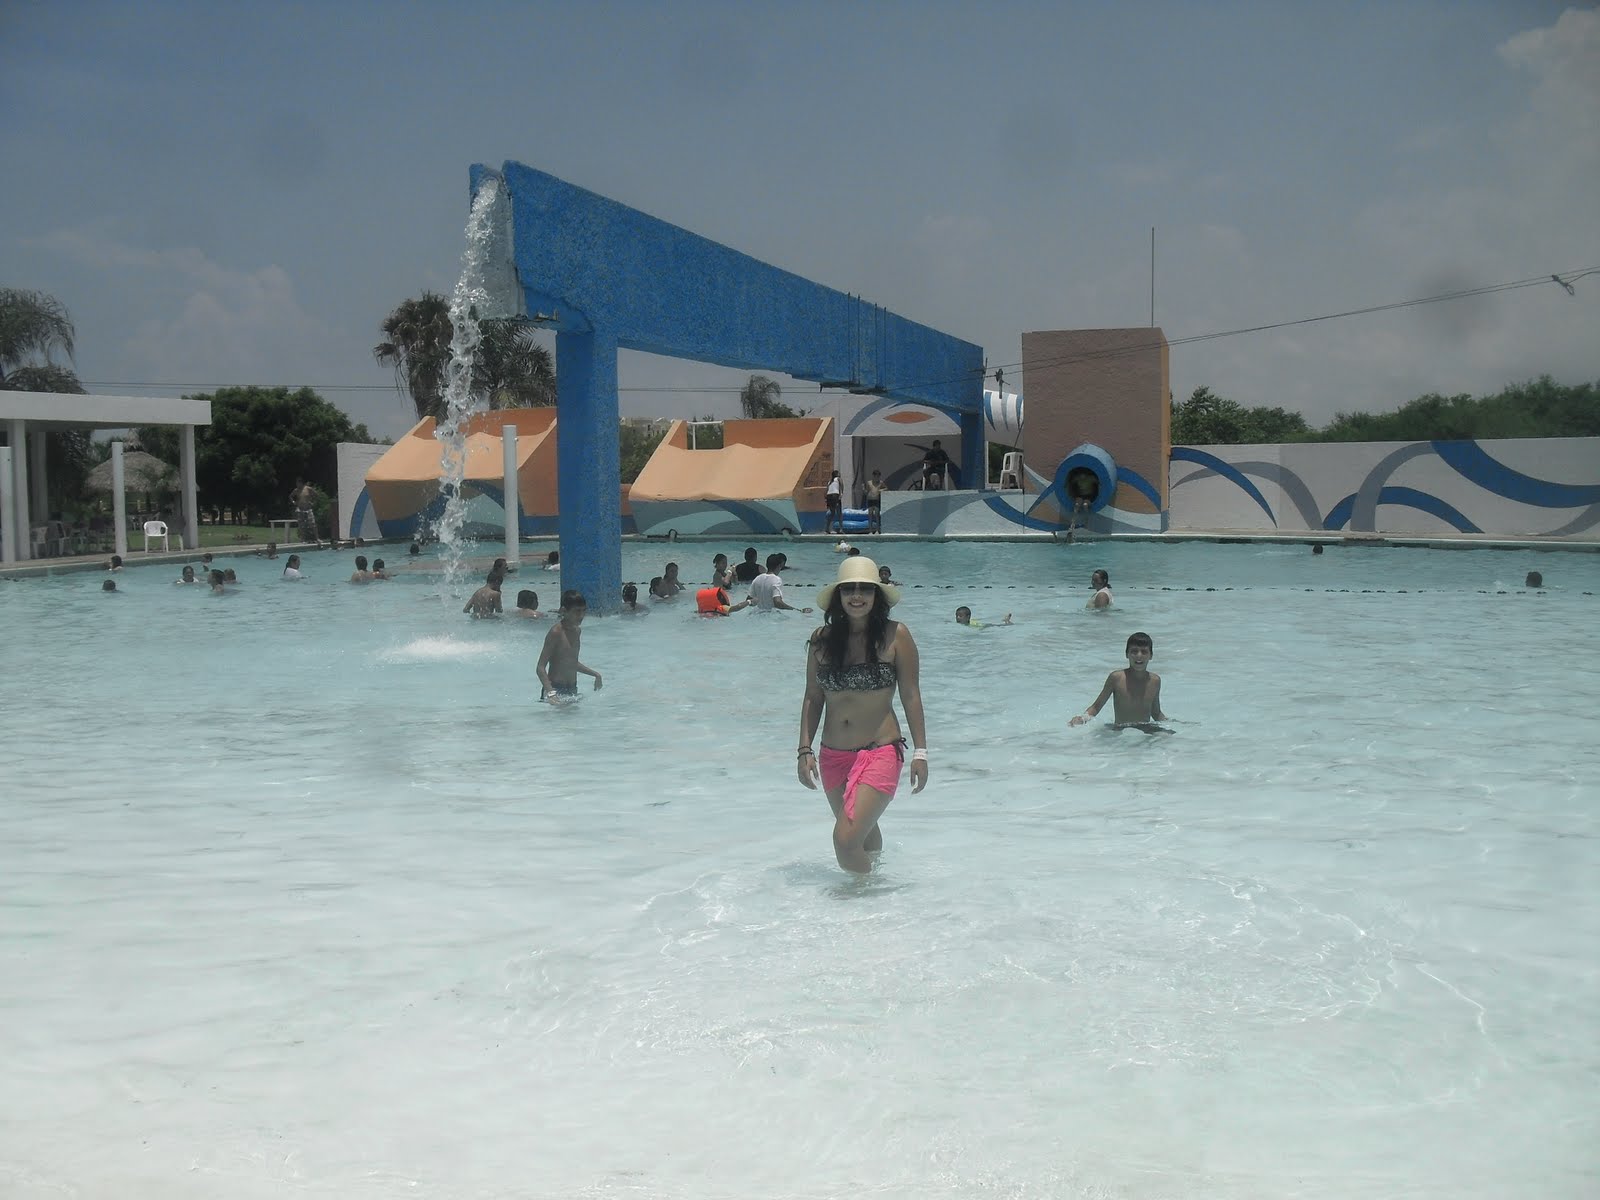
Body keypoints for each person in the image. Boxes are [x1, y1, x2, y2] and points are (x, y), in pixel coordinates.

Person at [797, 556, 928, 873]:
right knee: (863, 835)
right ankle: (875, 896)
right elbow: (813, 697)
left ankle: (859, 903)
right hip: (832, 755)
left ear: (877, 595)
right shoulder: (821, 640)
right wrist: (804, 750)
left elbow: (911, 695)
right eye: (849, 590)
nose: (857, 597)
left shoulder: (896, 636)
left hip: (879, 751)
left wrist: (921, 753)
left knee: (845, 840)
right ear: (838, 597)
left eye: (865, 590)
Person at [1069, 631, 1172, 733]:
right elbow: (1096, 707)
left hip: (1145, 729)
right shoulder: (1116, 678)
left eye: (1144, 651)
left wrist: (1173, 723)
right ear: (1127, 654)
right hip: (1121, 729)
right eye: (1134, 651)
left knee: (1173, 738)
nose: (1139, 655)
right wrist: (1082, 718)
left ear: (1151, 655)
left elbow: (1156, 712)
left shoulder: (1155, 680)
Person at [536, 589, 602, 702]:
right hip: (555, 689)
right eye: (577, 611)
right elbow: (540, 668)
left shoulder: (577, 631)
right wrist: (551, 693)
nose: (581, 615)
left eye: (583, 611)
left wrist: (596, 675)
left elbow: (571, 662)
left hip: (572, 689)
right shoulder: (556, 632)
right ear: (563, 610)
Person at [290, 479, 319, 545]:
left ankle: (317, 538)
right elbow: (290, 496)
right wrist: (293, 502)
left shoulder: (308, 489)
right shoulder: (296, 490)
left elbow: (316, 495)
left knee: (313, 524)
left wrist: (313, 503)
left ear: (301, 483)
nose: (297, 485)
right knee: (301, 525)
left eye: (298, 483)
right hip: (300, 509)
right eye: (296, 484)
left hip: (308, 509)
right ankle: (303, 539)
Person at [864, 468, 886, 533]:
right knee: (870, 515)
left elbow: (886, 488)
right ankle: (870, 530)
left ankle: (877, 530)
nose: (877, 478)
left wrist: (881, 490)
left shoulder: (880, 482)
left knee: (877, 515)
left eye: (878, 477)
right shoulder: (869, 483)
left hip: (876, 500)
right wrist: (863, 489)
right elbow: (867, 491)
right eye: (876, 476)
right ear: (873, 476)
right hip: (870, 500)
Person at [825, 469, 844, 534]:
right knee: (839, 513)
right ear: (837, 474)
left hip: (829, 496)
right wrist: (841, 494)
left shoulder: (830, 481)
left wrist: (826, 499)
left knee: (832, 513)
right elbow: (841, 486)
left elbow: (827, 489)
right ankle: (841, 529)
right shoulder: (838, 479)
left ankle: (827, 528)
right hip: (835, 495)